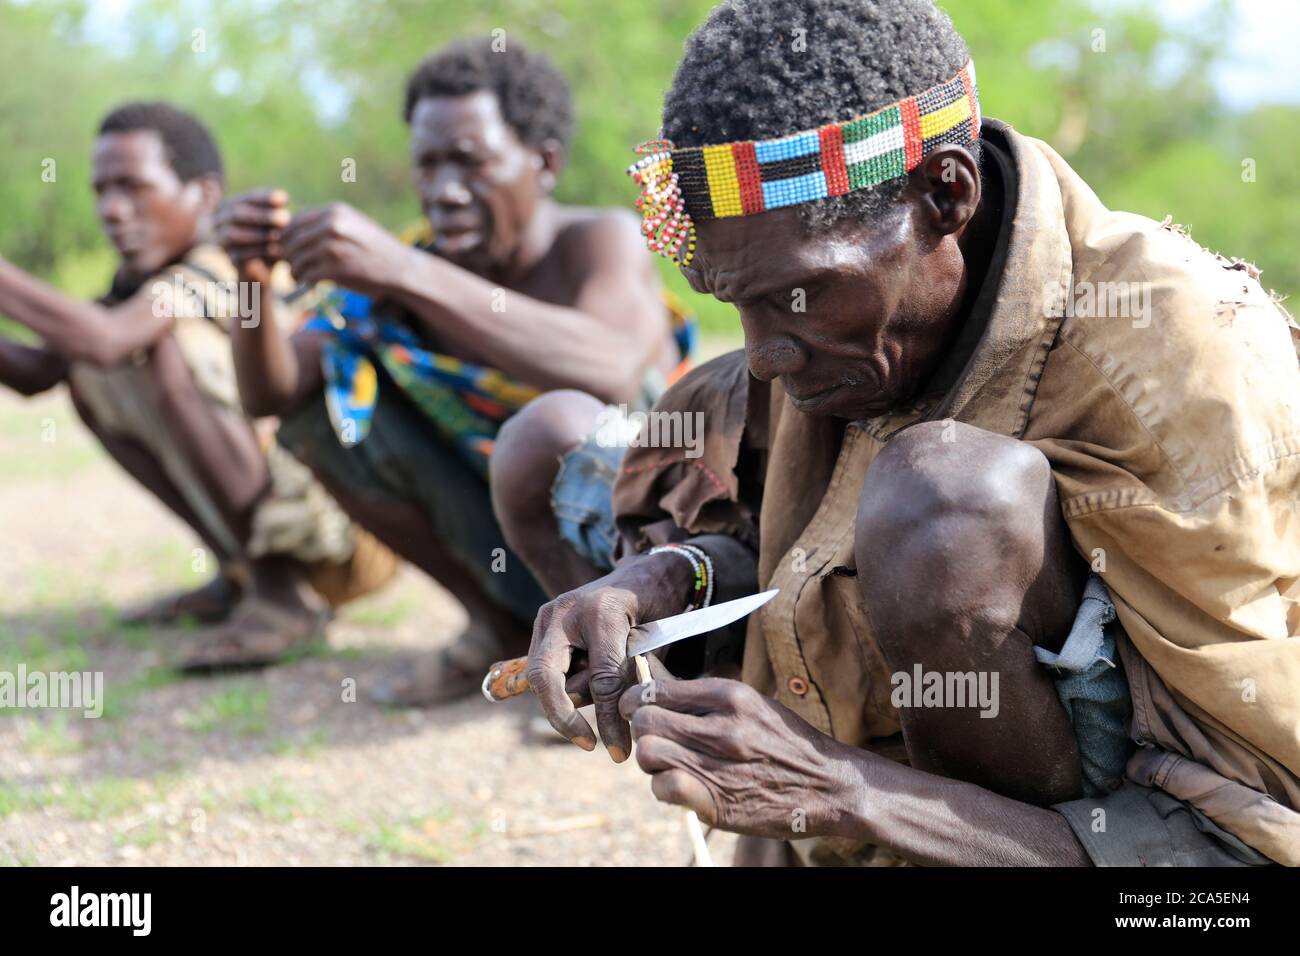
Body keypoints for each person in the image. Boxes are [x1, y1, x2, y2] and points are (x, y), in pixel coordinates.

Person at [498, 0, 1300, 866]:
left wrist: (843, 791)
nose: (762, 358)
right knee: (545, 451)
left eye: (797, 295)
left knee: (945, 499)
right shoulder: (840, 328)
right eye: (738, 302)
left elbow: (1244, 861)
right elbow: (793, 558)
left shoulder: (1175, 371)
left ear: (946, 194)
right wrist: (668, 576)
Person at [218, 38, 689, 704]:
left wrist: (406, 271)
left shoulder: (595, 241)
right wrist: (252, 278)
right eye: (427, 165)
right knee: (320, 413)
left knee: (559, 424)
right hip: (507, 540)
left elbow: (609, 367)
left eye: (470, 163)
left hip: (638, 553)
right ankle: (501, 627)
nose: (443, 192)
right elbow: (271, 394)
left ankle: (623, 656)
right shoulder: (397, 282)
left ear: (544, 162)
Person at [0, 102, 392, 667]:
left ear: (204, 195)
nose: (112, 210)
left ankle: (284, 598)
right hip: (297, 522)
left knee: (156, 351)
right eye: (102, 191)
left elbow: (107, 336)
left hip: (353, 533)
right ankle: (241, 576)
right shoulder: (142, 286)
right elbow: (41, 372)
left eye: (133, 187)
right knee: (88, 374)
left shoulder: (221, 263)